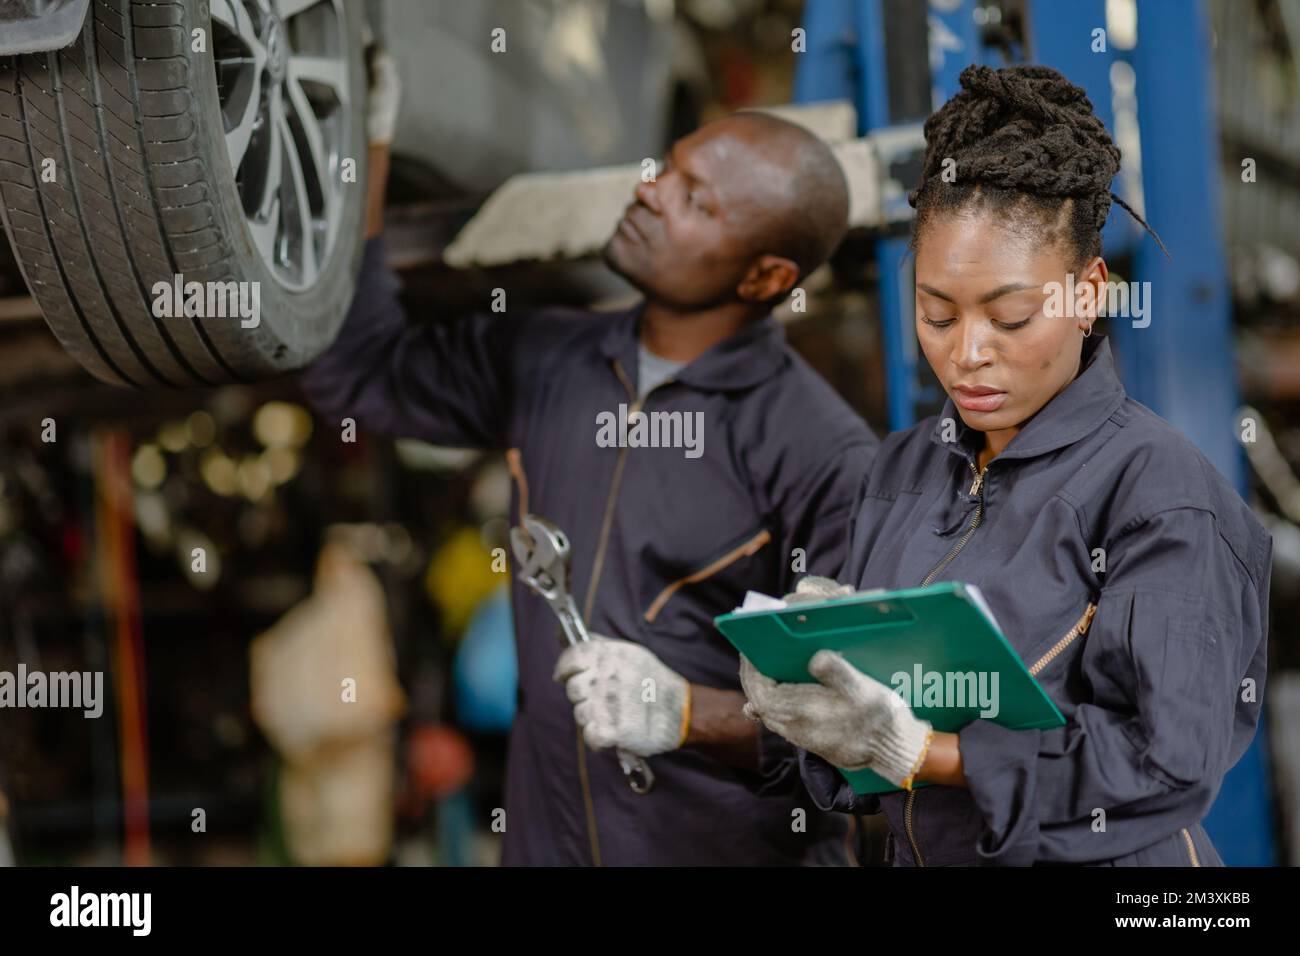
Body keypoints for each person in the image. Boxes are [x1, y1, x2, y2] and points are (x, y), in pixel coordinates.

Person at [301, 53, 878, 865]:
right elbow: (357, 371)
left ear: (766, 275)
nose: (648, 191)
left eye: (693, 199)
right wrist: (363, 143)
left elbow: (862, 733)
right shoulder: (548, 360)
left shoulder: (819, 452)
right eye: (665, 170)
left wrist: (684, 713)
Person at [741, 64, 1272, 867]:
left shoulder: (1160, 496)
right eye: (936, 313)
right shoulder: (900, 473)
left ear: (1088, 294)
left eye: (1012, 316)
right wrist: (815, 691)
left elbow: (1166, 761)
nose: (968, 355)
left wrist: (925, 753)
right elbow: (864, 763)